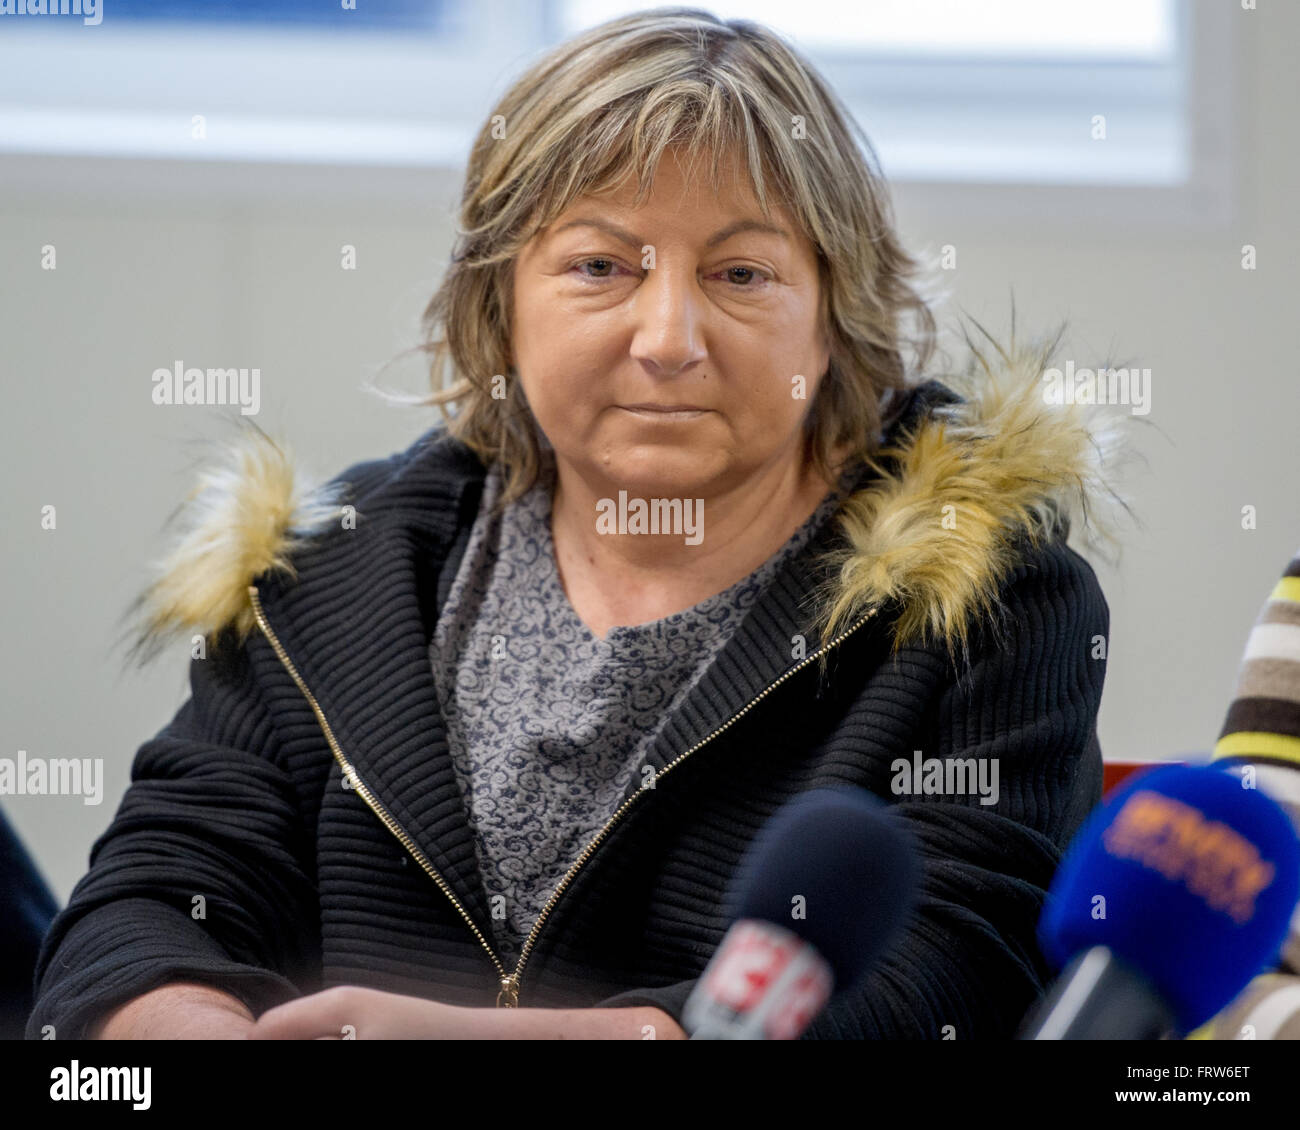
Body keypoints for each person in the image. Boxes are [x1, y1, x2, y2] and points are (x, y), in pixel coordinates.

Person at [26, 8, 1133, 1040]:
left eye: (740, 272)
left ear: (835, 317)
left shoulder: (989, 597)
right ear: (497, 304)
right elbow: (150, 905)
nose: (667, 336)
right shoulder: (323, 576)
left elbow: (953, 984)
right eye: (601, 266)